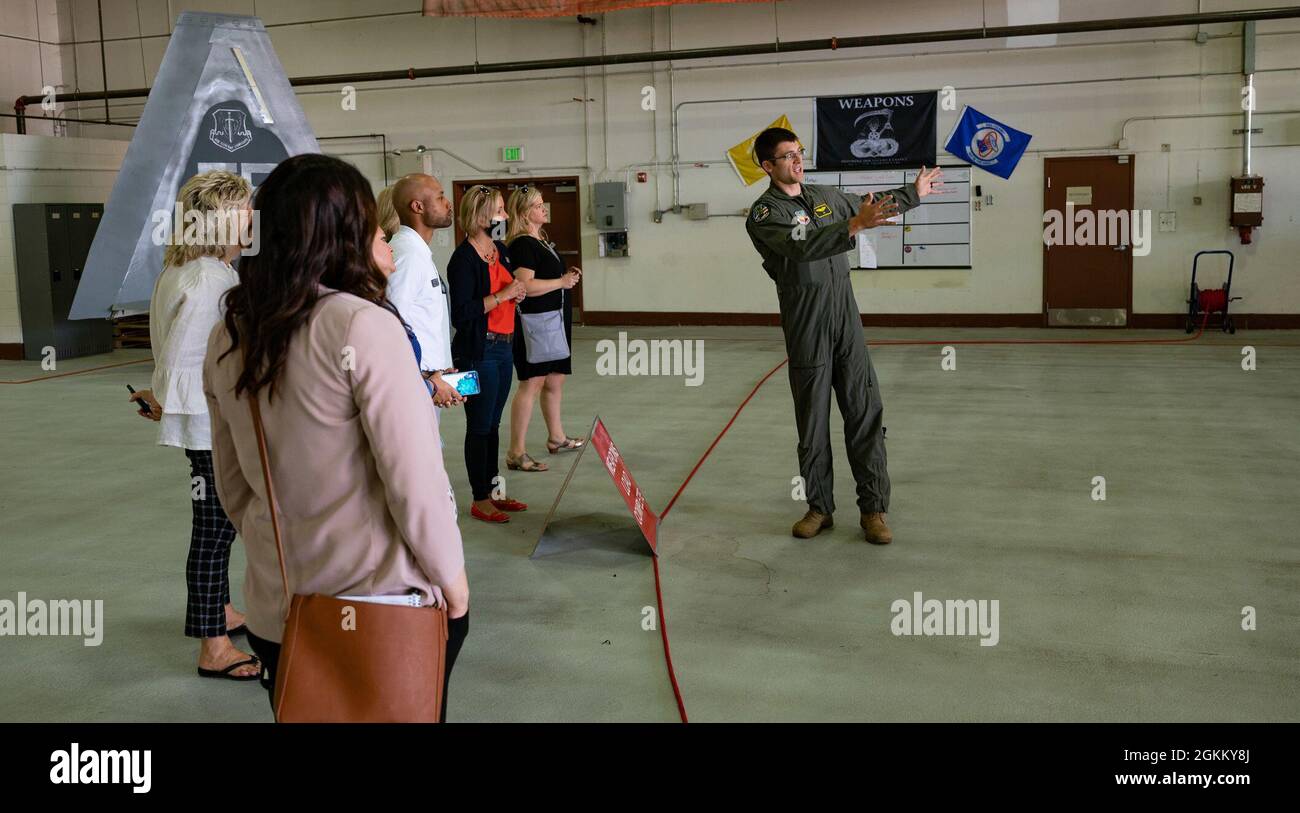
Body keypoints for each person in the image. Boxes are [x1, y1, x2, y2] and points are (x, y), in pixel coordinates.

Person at [203, 154, 470, 720]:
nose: (385, 245)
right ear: (343, 236)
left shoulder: (230, 333)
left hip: (280, 604)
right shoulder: (361, 324)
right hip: (376, 607)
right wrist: (453, 579)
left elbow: (231, 483)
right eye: (374, 230)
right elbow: (414, 479)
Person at [744, 127, 943, 544]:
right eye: (787, 156)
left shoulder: (826, 197)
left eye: (799, 152)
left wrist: (914, 192)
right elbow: (801, 245)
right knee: (813, 423)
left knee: (865, 413)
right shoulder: (765, 214)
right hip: (806, 325)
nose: (798, 160)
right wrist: (853, 225)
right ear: (767, 165)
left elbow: (872, 206)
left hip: (845, 321)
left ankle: (873, 510)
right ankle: (819, 508)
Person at [128, 170, 260, 682]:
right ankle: (214, 645)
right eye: (244, 210)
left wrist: (160, 396)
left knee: (216, 529)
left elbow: (173, 351)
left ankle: (221, 611)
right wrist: (171, 400)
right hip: (212, 425)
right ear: (223, 217)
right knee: (215, 531)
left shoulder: (187, 270)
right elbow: (191, 359)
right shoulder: (209, 279)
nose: (251, 219)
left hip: (204, 417)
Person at [446, 185, 528, 523]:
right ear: (481, 216)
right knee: (478, 425)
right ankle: (480, 497)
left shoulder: (501, 251)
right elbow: (461, 314)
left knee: (493, 424)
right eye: (500, 210)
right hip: (477, 352)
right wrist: (503, 294)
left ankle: (494, 490)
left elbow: (506, 290)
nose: (506, 216)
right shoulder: (463, 259)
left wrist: (515, 294)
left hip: (504, 346)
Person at [503, 185, 584, 473]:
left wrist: (565, 278)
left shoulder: (541, 241)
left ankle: (557, 437)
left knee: (555, 379)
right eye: (537, 205)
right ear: (524, 213)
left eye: (542, 203)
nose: (544, 208)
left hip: (554, 323)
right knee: (532, 382)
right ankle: (516, 451)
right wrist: (560, 283)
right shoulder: (523, 244)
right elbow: (522, 286)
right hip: (534, 325)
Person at [386, 173, 463, 409]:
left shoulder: (418, 253)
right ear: (418, 206)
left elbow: (422, 319)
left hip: (430, 379)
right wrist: (426, 379)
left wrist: (440, 367)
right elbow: (390, 325)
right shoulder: (407, 255)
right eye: (440, 197)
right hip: (417, 382)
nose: (448, 203)